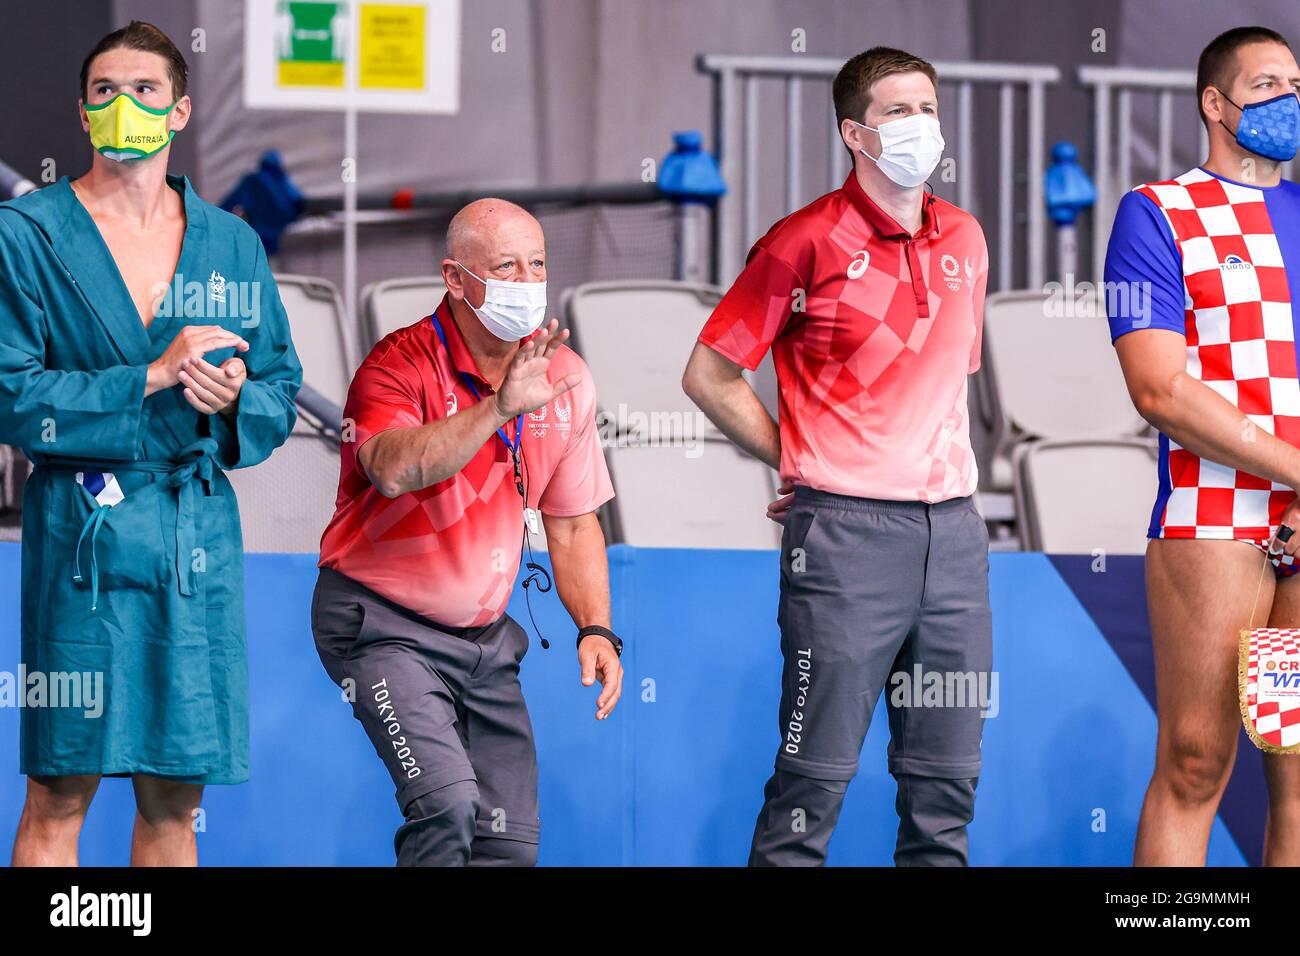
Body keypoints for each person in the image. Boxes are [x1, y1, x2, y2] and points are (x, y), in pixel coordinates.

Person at [1, 21, 302, 866]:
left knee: (174, 796)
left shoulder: (232, 244)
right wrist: (149, 378)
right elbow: (9, 393)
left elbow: (279, 392)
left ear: (179, 112)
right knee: (59, 789)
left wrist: (236, 398)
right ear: (82, 114)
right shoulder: (27, 235)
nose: (121, 105)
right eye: (103, 92)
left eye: (142, 91)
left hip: (190, 533)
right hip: (79, 534)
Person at [684, 46, 992, 866]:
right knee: (811, 786)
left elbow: (952, 383)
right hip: (847, 541)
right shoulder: (803, 242)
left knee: (946, 792)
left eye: (928, 107)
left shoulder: (965, 235)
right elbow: (708, 375)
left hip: (956, 540)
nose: (920, 125)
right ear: (856, 133)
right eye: (899, 112)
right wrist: (799, 459)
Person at [311, 198, 623, 866]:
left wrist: (596, 627)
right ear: (455, 278)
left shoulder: (564, 377)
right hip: (381, 625)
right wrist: (499, 407)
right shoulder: (397, 363)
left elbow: (571, 525)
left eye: (538, 263)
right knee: (448, 805)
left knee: (507, 844)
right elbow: (394, 469)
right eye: (506, 265)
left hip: (484, 642)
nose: (528, 280)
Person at [1105, 25, 1300, 866]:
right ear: (1215, 105)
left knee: (1297, 769)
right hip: (1214, 517)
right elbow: (1160, 390)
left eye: (1296, 82)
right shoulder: (1155, 212)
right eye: (1266, 86)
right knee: (1194, 764)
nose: (1288, 100)